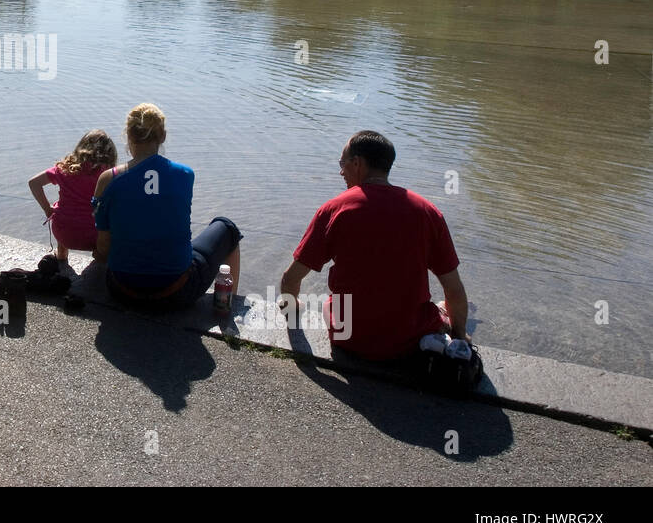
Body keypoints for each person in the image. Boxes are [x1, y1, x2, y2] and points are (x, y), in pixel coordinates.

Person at [277, 131, 469, 361]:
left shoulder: (334, 209)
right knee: (441, 306)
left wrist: (294, 306)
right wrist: (460, 337)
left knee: (330, 305)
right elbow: (454, 290)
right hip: (408, 340)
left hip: (348, 337)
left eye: (342, 163)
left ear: (357, 163)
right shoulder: (428, 212)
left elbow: (291, 278)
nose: (340, 171)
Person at [91, 103, 243, 310]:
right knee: (227, 228)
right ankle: (229, 304)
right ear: (162, 136)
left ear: (128, 136)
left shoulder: (108, 179)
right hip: (177, 292)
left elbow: (103, 247)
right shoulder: (185, 174)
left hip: (122, 290)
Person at [29, 130, 117, 262]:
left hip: (63, 233)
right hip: (94, 236)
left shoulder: (65, 168)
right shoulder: (107, 174)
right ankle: (100, 256)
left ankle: (62, 255)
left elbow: (34, 183)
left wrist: (48, 209)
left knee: (62, 211)